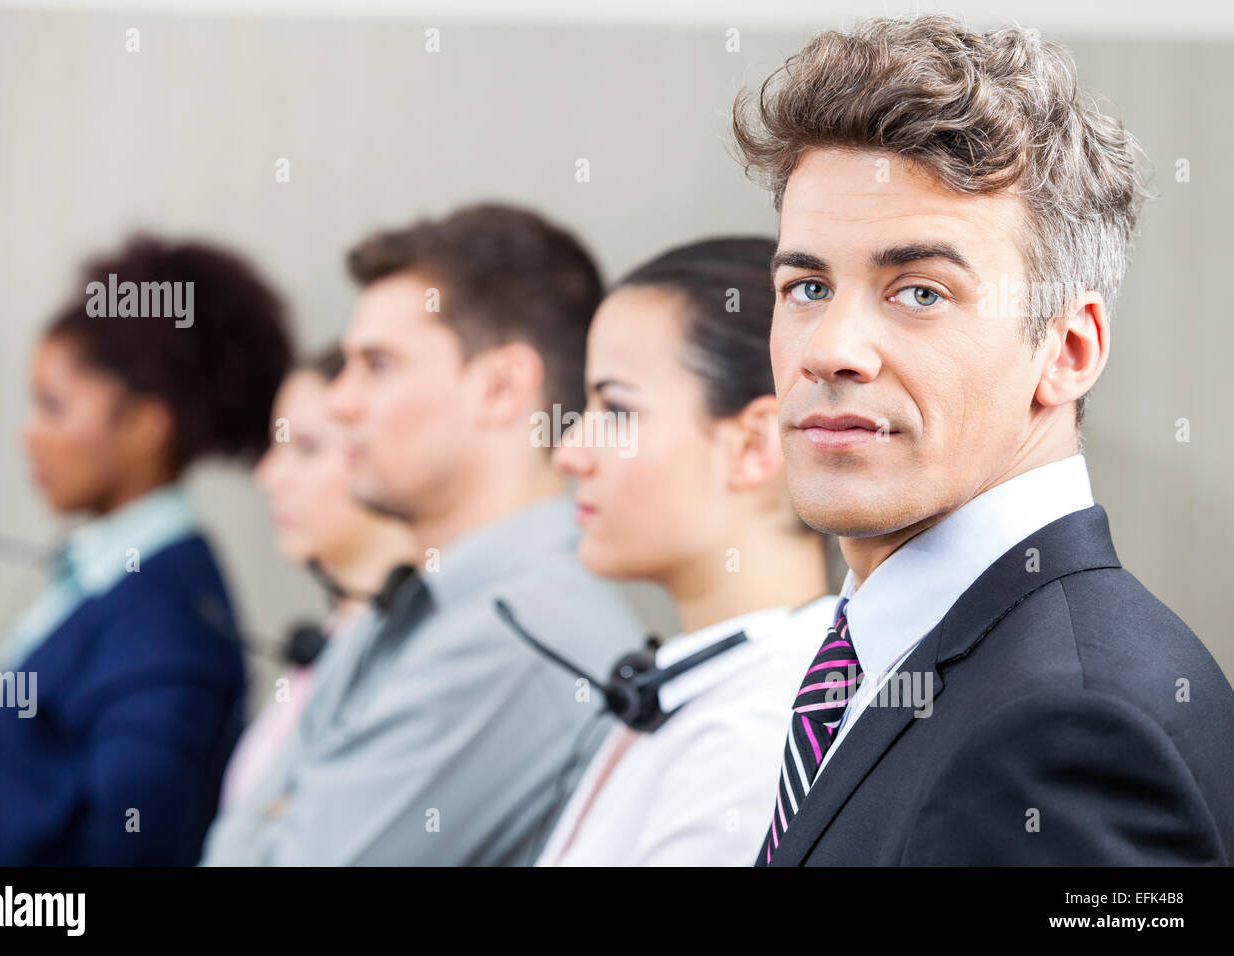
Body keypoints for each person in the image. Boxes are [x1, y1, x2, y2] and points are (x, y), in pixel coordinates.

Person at [729, 14, 1234, 865]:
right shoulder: (913, 653)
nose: (829, 350)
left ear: (1068, 351)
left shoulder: (1073, 725)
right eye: (808, 284)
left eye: (920, 291)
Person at [199, 202, 642, 866]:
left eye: (377, 365)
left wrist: (280, 816)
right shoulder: (432, 599)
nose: (343, 402)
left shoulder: (519, 633)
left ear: (501, 386)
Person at [0, 235, 294, 865]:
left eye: (53, 406)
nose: (28, 435)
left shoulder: (162, 626)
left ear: (147, 426)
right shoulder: (117, 580)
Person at [535, 238, 837, 866]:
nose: (570, 452)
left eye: (616, 409)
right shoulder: (712, 695)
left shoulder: (754, 737)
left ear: (755, 444)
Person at [218, 346, 416, 811]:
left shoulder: (411, 656)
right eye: (274, 446)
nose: (269, 476)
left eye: (305, 449)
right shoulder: (335, 640)